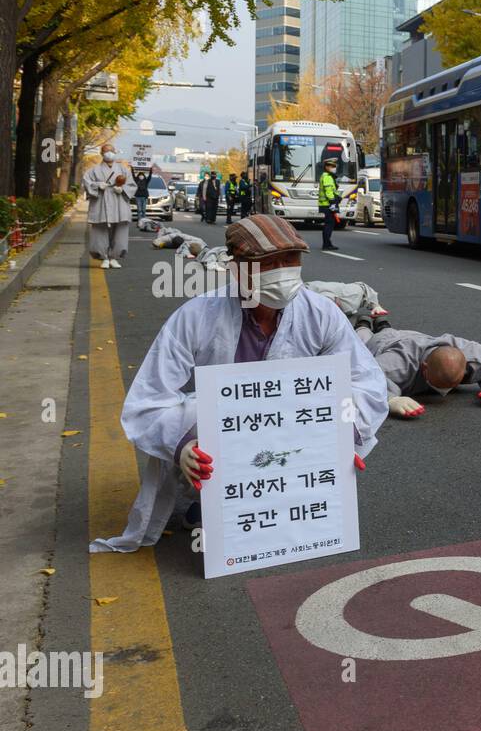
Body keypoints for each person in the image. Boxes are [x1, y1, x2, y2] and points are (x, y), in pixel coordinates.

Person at [89, 214, 389, 553]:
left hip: (296, 437)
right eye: (268, 263)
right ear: (238, 269)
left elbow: (366, 384)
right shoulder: (196, 316)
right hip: (219, 438)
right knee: (192, 411)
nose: (283, 270)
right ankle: (214, 501)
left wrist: (340, 436)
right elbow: (148, 401)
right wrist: (182, 448)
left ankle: (288, 506)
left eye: (290, 259)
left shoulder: (321, 313)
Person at [353, 313, 481, 417]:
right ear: (424, 368)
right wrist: (390, 399)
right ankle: (363, 324)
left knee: (387, 330)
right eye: (438, 385)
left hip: (417, 336)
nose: (443, 394)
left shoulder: (467, 352)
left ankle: (383, 323)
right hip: (384, 344)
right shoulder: (398, 364)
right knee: (360, 341)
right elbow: (358, 376)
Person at [82, 143, 136, 269]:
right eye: (106, 151)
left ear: (115, 152)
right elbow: (87, 183)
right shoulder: (93, 171)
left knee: (120, 231)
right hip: (101, 203)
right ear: (101, 153)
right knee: (100, 230)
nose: (109, 153)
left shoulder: (123, 170)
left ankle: (114, 257)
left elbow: (132, 185)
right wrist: (97, 185)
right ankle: (104, 257)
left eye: (111, 151)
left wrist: (122, 190)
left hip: (119, 204)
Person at [318, 157, 341, 250]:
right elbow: (328, 191)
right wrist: (332, 201)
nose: (333, 168)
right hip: (328, 204)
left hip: (326, 204)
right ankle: (326, 244)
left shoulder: (327, 176)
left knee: (329, 223)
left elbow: (331, 190)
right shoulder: (327, 177)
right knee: (329, 224)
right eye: (332, 166)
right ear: (326, 167)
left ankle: (327, 243)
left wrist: (337, 197)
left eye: (334, 166)